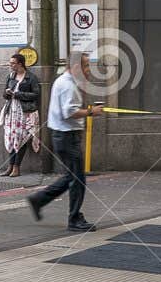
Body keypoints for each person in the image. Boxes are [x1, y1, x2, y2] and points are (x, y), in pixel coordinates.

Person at [26, 52, 104, 232]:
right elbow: (69, 112)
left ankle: (39, 200)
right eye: (86, 66)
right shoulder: (68, 85)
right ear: (76, 67)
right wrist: (92, 112)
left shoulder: (65, 81)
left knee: (72, 176)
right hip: (67, 136)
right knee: (78, 179)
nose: (88, 70)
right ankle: (74, 219)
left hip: (63, 136)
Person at [0, 52, 40, 177]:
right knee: (11, 138)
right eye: (10, 63)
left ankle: (17, 167)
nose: (10, 65)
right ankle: (10, 166)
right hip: (11, 112)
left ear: (20, 64)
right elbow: (4, 94)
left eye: (13, 63)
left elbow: (36, 94)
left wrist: (17, 94)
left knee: (21, 139)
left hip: (24, 112)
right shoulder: (10, 76)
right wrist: (7, 93)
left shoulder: (31, 77)